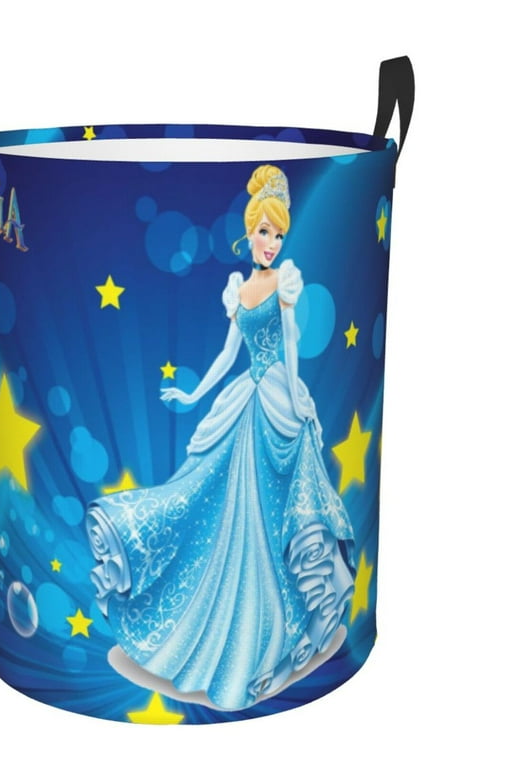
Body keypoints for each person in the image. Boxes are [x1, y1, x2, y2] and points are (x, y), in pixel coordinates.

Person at [86, 165, 355, 711]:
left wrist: (299, 401)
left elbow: (291, 348)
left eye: (279, 235)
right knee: (212, 504)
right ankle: (216, 629)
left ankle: (277, 632)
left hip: (278, 403)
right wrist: (191, 396)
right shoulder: (240, 290)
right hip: (244, 401)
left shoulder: (285, 283)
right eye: (264, 232)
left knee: (278, 517)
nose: (271, 244)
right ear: (249, 232)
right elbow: (227, 355)